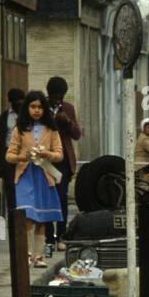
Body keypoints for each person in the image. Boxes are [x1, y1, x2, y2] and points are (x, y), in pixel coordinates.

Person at [5, 90, 64, 267]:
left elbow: (59, 155)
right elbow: (9, 155)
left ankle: (39, 256)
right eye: (33, 106)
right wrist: (21, 157)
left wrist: (47, 154)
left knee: (42, 218)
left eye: (40, 107)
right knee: (27, 215)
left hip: (45, 176)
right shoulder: (19, 130)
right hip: (25, 175)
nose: (36, 110)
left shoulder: (52, 130)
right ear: (26, 108)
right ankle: (26, 254)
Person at [46, 76, 82, 253]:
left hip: (63, 161)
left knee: (61, 198)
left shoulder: (68, 109)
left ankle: (61, 235)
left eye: (60, 97)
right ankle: (47, 236)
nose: (57, 100)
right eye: (54, 97)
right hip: (45, 160)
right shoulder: (41, 108)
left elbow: (77, 135)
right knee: (46, 198)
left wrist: (67, 122)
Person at [0, 88, 25, 217]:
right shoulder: (4, 117)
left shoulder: (28, 116)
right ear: (11, 102)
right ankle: (13, 217)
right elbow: (0, 140)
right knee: (11, 190)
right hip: (8, 156)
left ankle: (24, 216)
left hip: (24, 157)